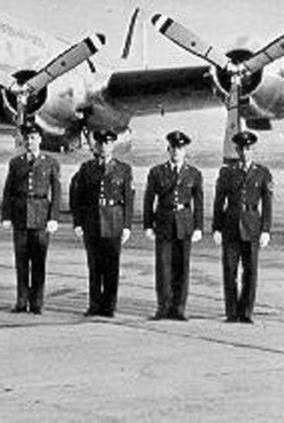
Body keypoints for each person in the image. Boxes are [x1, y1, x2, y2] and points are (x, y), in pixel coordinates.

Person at [70, 129, 133, 318]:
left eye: (108, 143)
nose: (104, 147)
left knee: (112, 266)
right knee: (94, 266)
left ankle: (109, 306)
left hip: (114, 219)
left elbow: (128, 198)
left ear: (113, 145)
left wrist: (127, 225)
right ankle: (94, 305)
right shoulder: (86, 168)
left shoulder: (123, 169)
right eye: (101, 143)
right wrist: (78, 222)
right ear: (96, 145)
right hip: (93, 221)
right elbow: (77, 197)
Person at [212, 131, 273, 323]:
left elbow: (268, 203)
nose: (245, 152)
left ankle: (246, 312)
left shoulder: (263, 173)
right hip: (230, 226)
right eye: (242, 149)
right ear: (237, 150)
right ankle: (231, 312)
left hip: (252, 226)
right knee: (229, 271)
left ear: (253, 150)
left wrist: (265, 229)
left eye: (249, 149)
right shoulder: (227, 172)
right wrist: (217, 227)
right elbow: (219, 201)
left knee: (250, 271)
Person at [143, 130, 204, 321]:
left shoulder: (194, 174)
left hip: (184, 223)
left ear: (185, 151)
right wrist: (148, 225)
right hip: (164, 222)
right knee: (163, 268)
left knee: (182, 268)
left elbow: (198, 203)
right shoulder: (156, 172)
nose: (176, 151)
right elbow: (149, 200)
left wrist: (198, 227)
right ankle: (163, 307)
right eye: (173, 148)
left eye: (180, 148)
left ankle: (179, 308)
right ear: (168, 149)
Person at [1, 121, 61, 314]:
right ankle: (21, 301)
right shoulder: (16, 162)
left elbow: (56, 191)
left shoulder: (50, 162)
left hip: (41, 215)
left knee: (39, 262)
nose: (30, 141)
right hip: (20, 215)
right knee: (21, 262)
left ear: (40, 139)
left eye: (33, 138)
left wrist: (53, 217)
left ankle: (37, 303)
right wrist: (6, 215)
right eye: (27, 138)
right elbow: (8, 190)